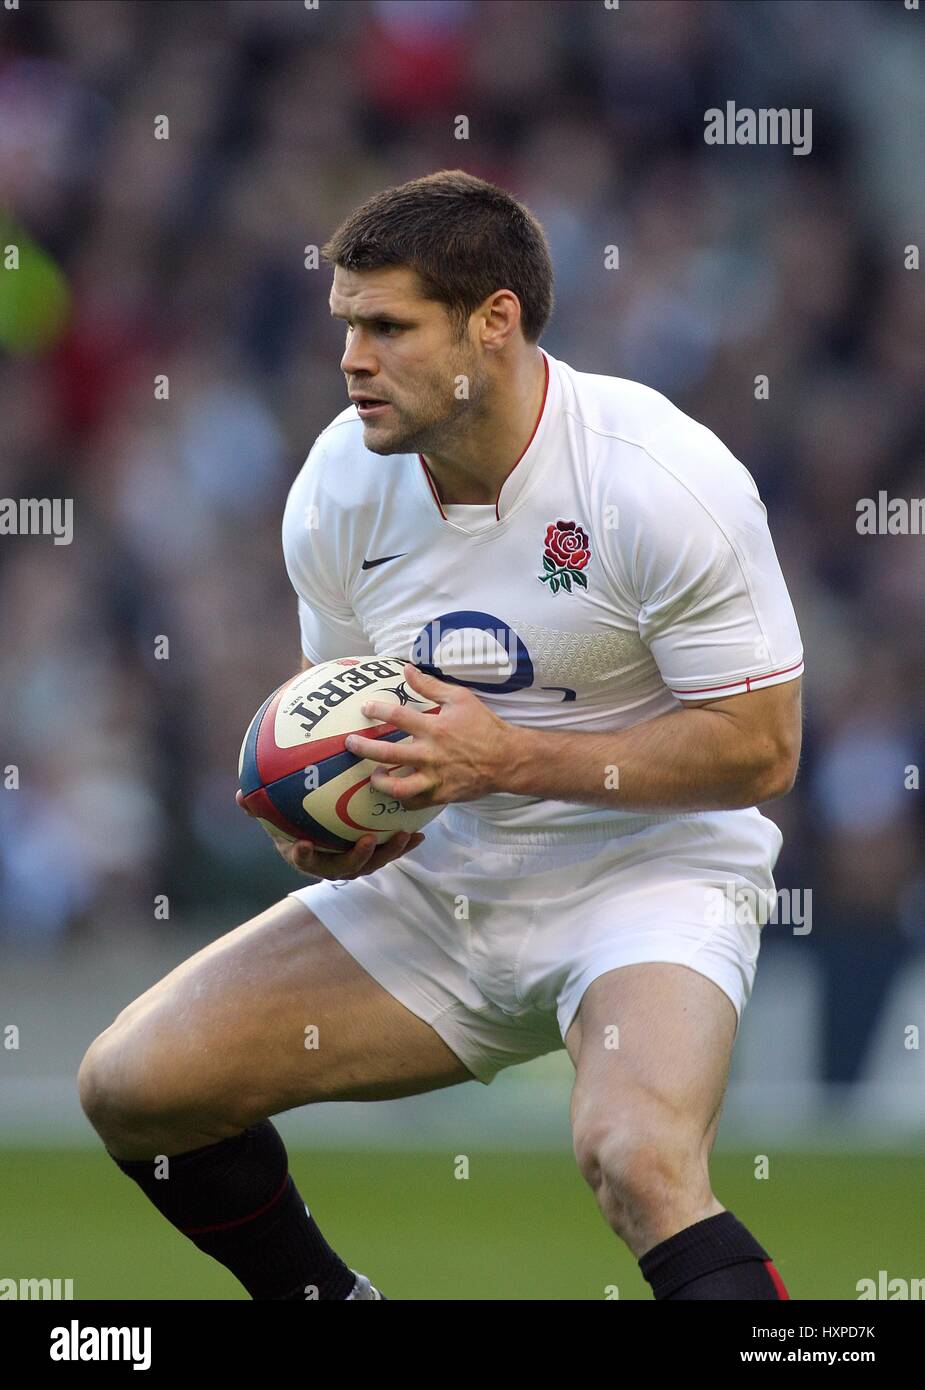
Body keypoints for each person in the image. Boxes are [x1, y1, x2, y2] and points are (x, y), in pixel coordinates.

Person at [79, 170, 802, 1301]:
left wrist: (504, 759)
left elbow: (758, 750)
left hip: (648, 873)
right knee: (133, 1085)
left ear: (493, 322)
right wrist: (348, 822)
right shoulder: (337, 486)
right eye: (345, 326)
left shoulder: (661, 481)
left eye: (387, 326)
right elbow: (356, 709)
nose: (352, 358)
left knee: (638, 1160)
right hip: (450, 880)